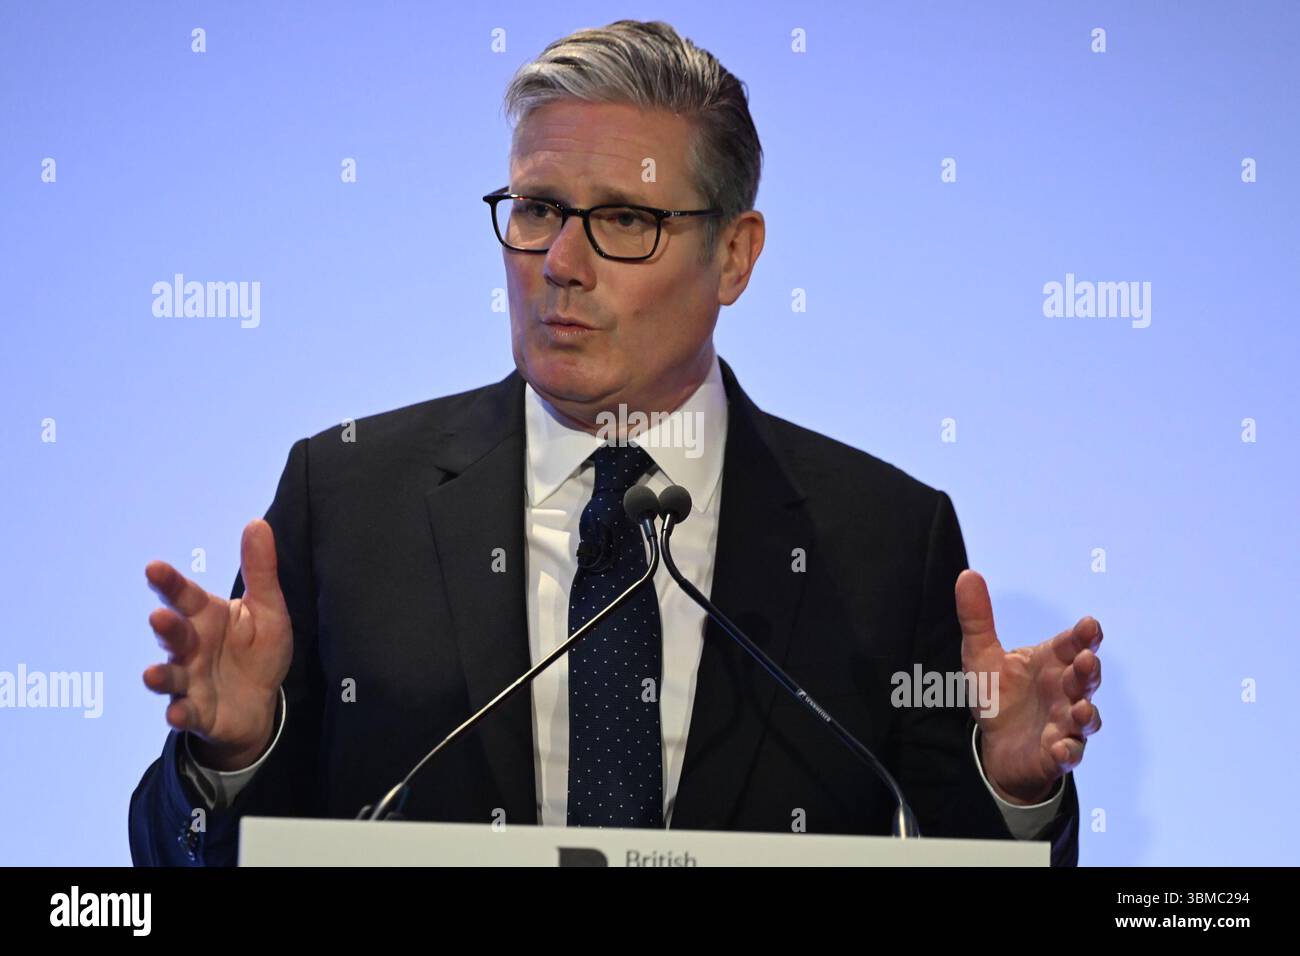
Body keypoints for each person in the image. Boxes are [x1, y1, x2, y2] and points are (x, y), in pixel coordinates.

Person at [130, 20, 1102, 866]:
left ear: (734, 253)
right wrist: (231, 755)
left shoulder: (886, 537)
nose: (558, 262)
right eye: (538, 208)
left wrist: (1011, 795)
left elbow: (948, 862)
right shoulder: (344, 497)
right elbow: (197, 861)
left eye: (624, 220)